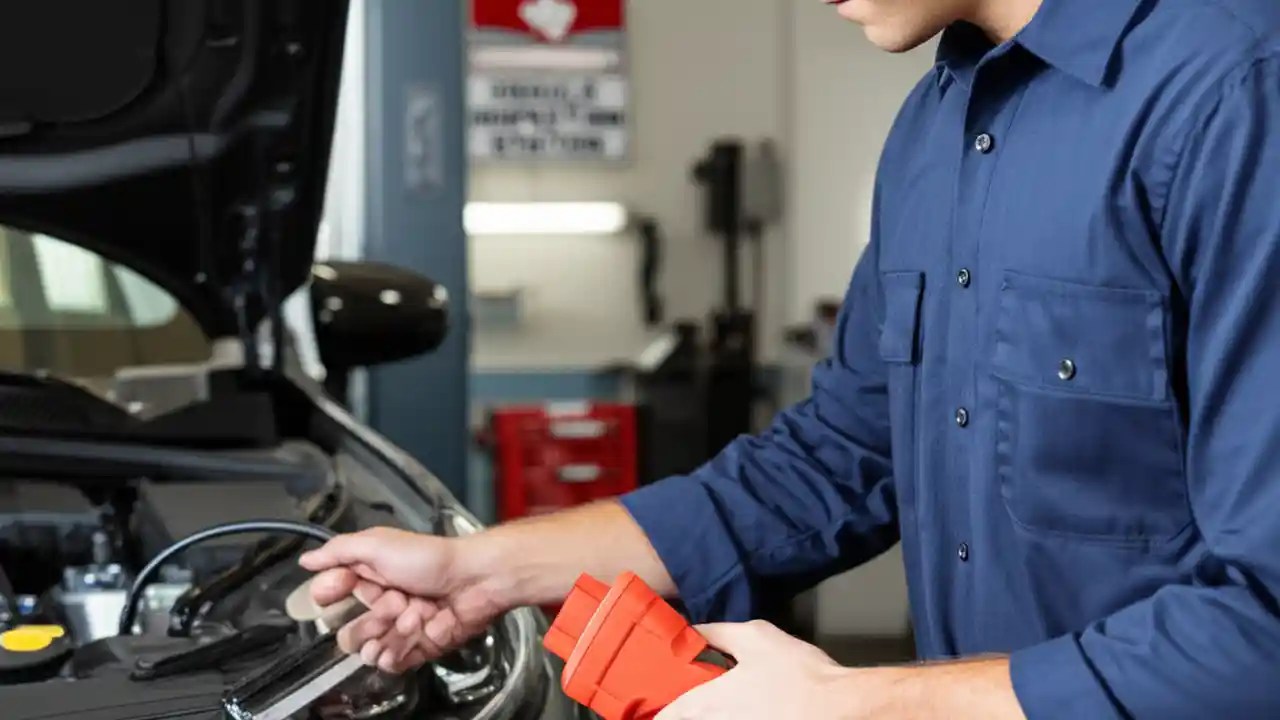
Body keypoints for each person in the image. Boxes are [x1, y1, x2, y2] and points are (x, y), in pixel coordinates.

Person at [300, 0, 1280, 716]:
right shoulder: (934, 130)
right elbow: (831, 464)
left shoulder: (1237, 93)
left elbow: (1266, 619)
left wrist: (853, 704)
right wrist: (482, 571)